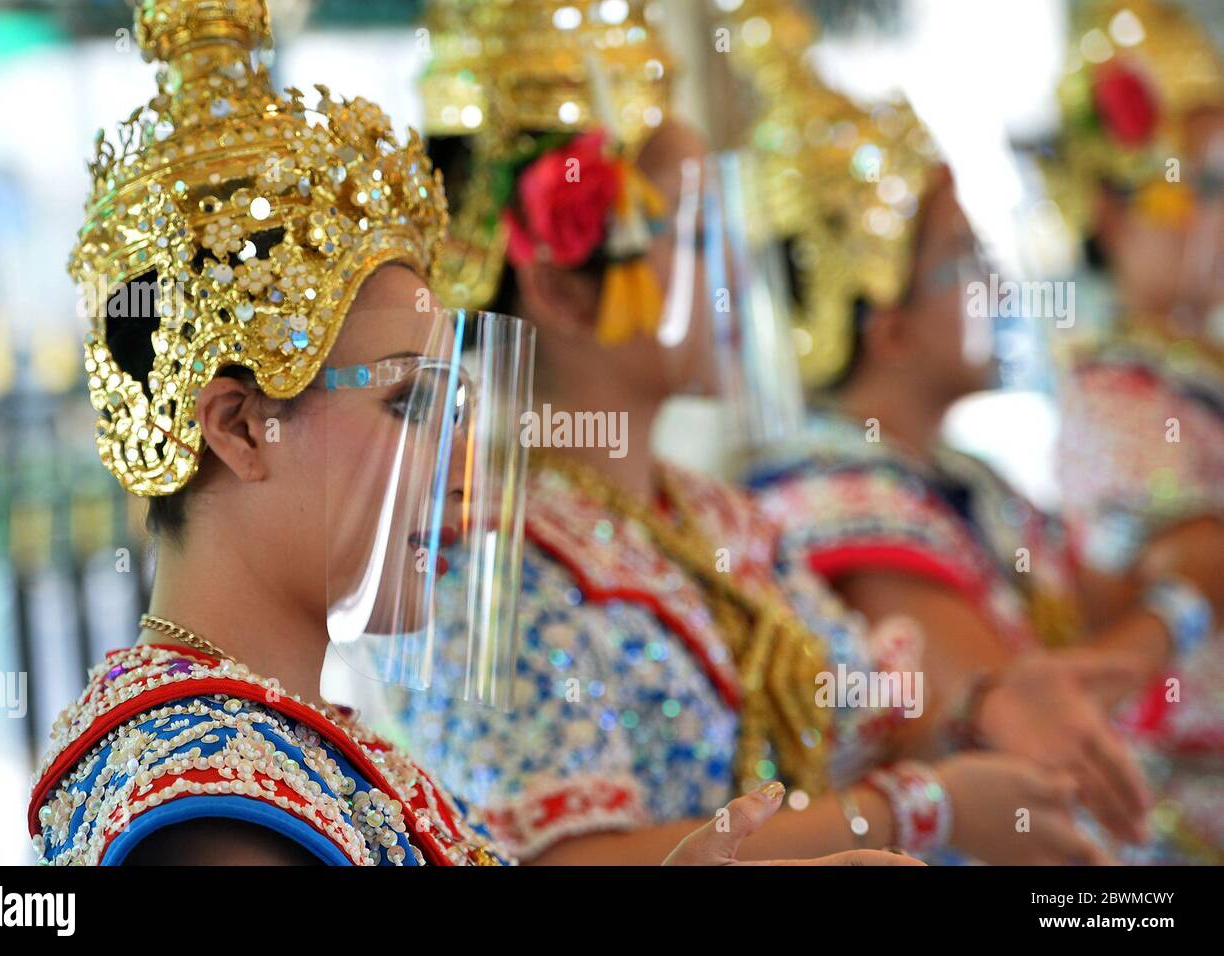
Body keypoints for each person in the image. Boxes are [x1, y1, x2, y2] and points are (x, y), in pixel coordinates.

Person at [27, 0, 908, 869]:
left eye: (458, 411)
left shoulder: (300, 744)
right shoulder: (207, 803)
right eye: (409, 405)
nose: (466, 476)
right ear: (242, 428)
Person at [394, 0, 1115, 866]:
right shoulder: (488, 560)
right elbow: (568, 863)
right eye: (696, 238)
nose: (735, 274)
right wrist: (918, 809)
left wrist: (984, 706)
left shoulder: (710, 517)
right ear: (566, 288)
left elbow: (865, 704)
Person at [726, 0, 1220, 860]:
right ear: (889, 327)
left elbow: (1113, 610)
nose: (996, 284)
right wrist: (1174, 609)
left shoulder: (966, 484)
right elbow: (1030, 721)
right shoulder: (841, 504)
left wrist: (1168, 605)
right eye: (965, 259)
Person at [1051, 0, 1224, 862]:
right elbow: (1193, 565)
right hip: (1179, 812)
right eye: (1199, 184)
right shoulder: (1117, 394)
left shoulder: (1199, 372)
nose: (1214, 218)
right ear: (1111, 212)